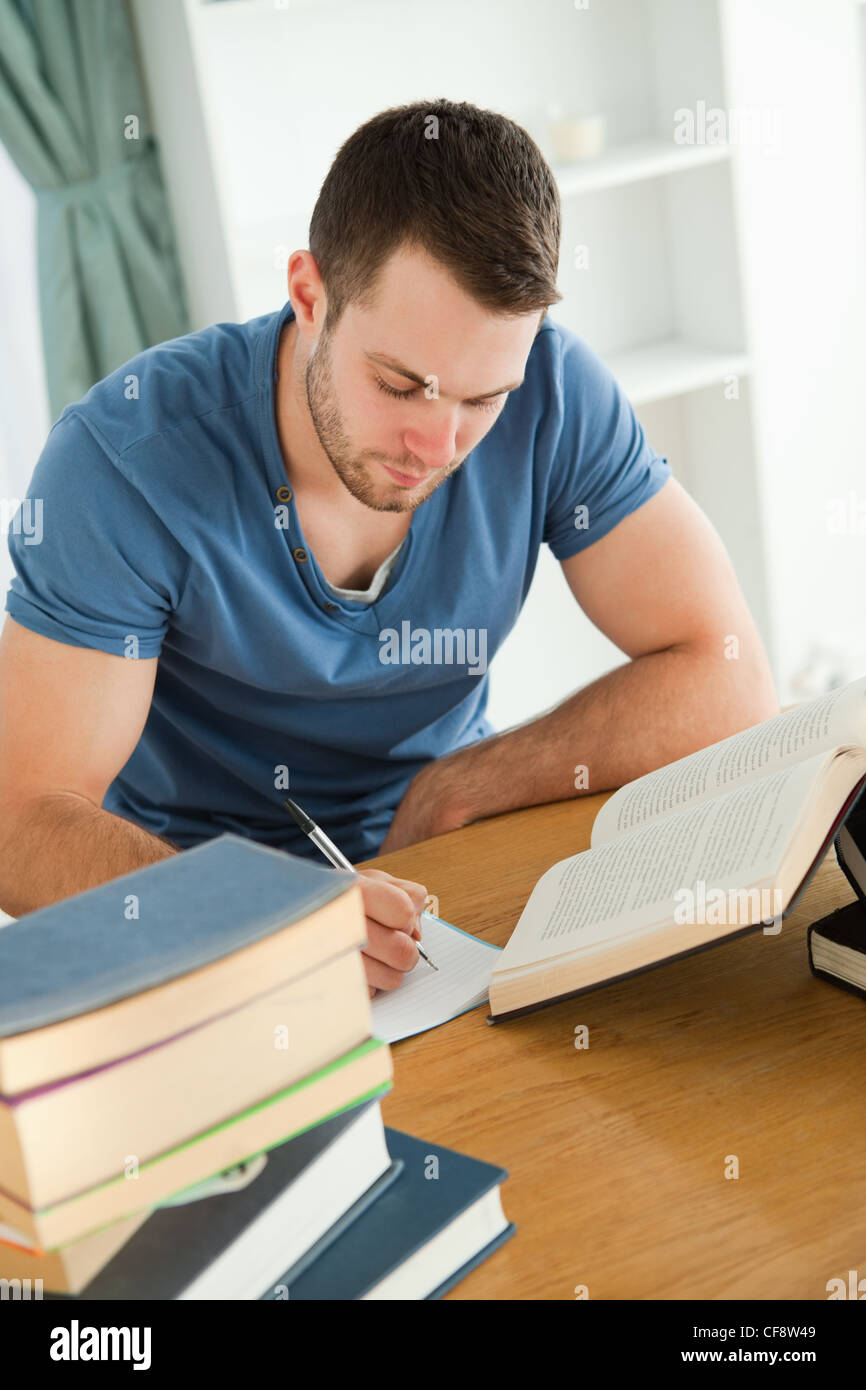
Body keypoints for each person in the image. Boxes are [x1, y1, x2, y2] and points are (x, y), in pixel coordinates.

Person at [0, 100, 777, 995]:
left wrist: (460, 788)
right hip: (191, 909)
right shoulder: (125, 459)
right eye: (401, 386)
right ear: (309, 295)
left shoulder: (554, 394)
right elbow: (22, 821)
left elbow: (728, 673)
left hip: (449, 868)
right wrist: (261, 916)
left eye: (482, 401)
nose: (438, 448)